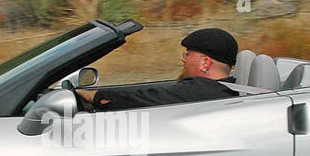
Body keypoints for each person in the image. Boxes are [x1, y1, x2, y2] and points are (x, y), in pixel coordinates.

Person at [76, 28, 239, 112]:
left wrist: (93, 96)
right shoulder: (224, 90)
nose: (183, 59)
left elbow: (140, 100)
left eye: (188, 55)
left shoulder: (200, 91)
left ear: (205, 63)